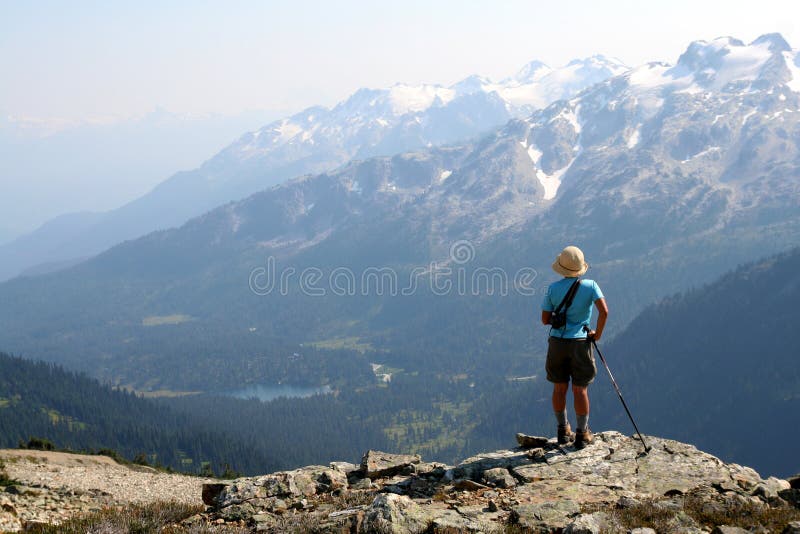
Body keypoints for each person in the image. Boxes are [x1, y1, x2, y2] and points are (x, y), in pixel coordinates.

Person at [540, 245, 608, 449]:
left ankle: (562, 430)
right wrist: (597, 334)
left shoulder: (553, 288)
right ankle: (582, 433)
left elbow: (545, 319)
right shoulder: (591, 286)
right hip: (580, 342)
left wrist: (559, 319)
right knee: (580, 390)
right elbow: (604, 312)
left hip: (557, 342)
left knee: (559, 387)